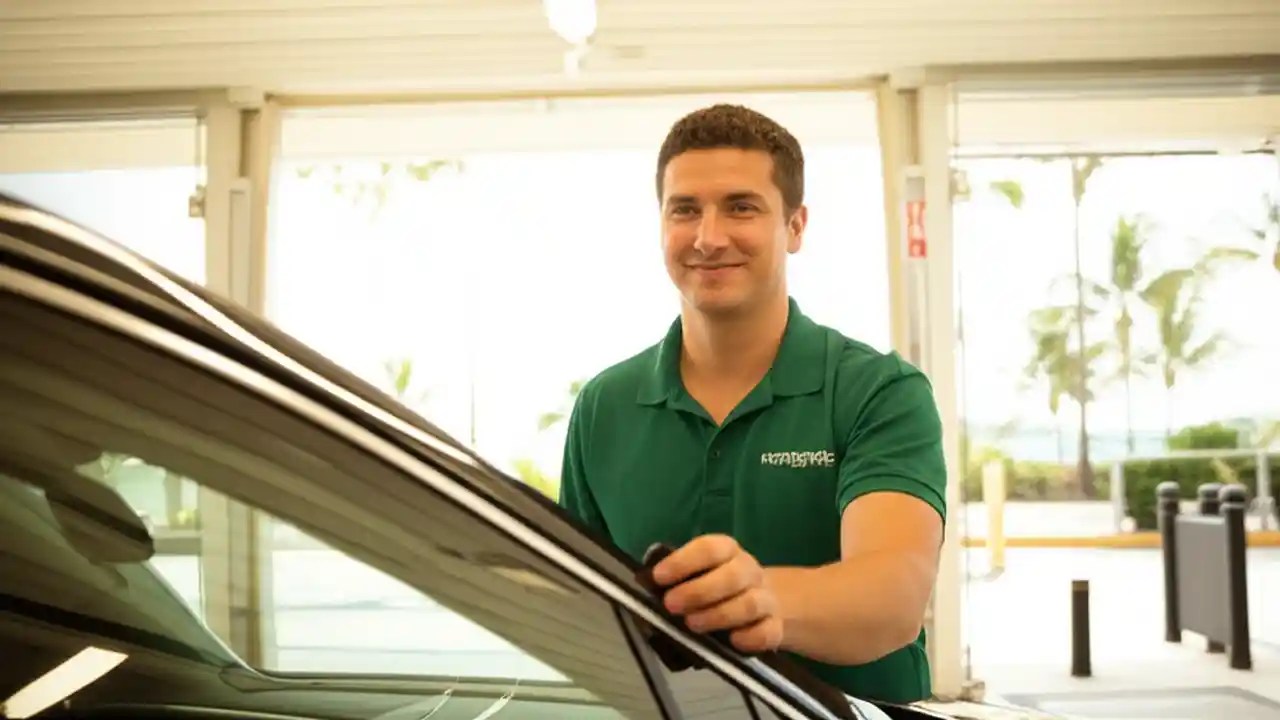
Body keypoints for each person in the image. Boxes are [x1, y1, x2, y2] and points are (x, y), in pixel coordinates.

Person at [557, 103, 947, 704]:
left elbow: (894, 598)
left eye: (741, 207)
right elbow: (582, 617)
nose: (709, 237)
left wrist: (760, 599)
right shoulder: (604, 407)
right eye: (684, 209)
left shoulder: (879, 392)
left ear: (795, 227)